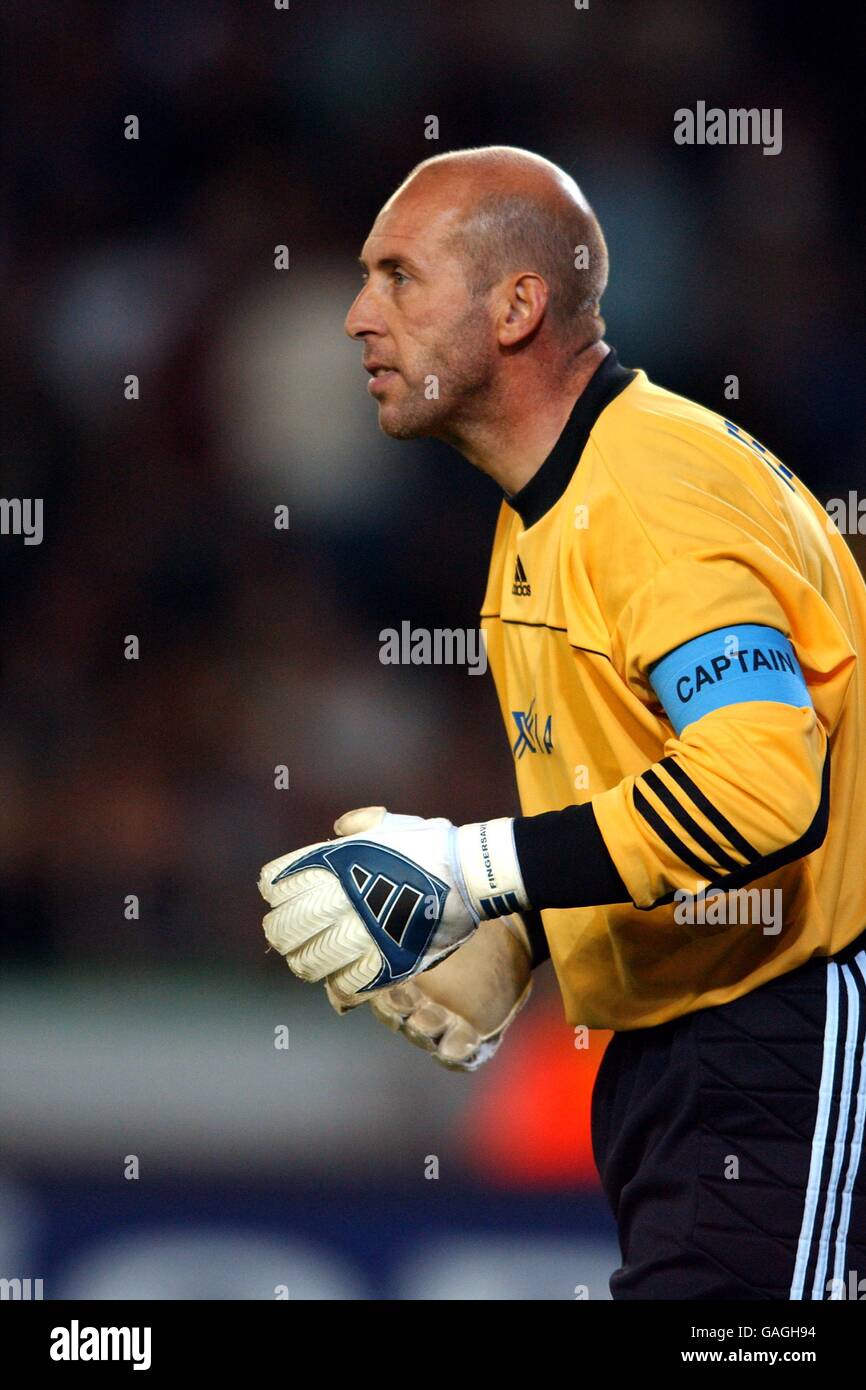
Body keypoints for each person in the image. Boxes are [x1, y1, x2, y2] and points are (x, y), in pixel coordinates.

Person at [258, 146, 866, 1300]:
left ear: (516, 306)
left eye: (397, 276)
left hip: (781, 1027)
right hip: (696, 1051)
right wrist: (523, 927)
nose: (354, 316)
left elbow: (761, 788)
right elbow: (649, 784)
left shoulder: (647, 494)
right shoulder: (548, 504)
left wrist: (472, 868)